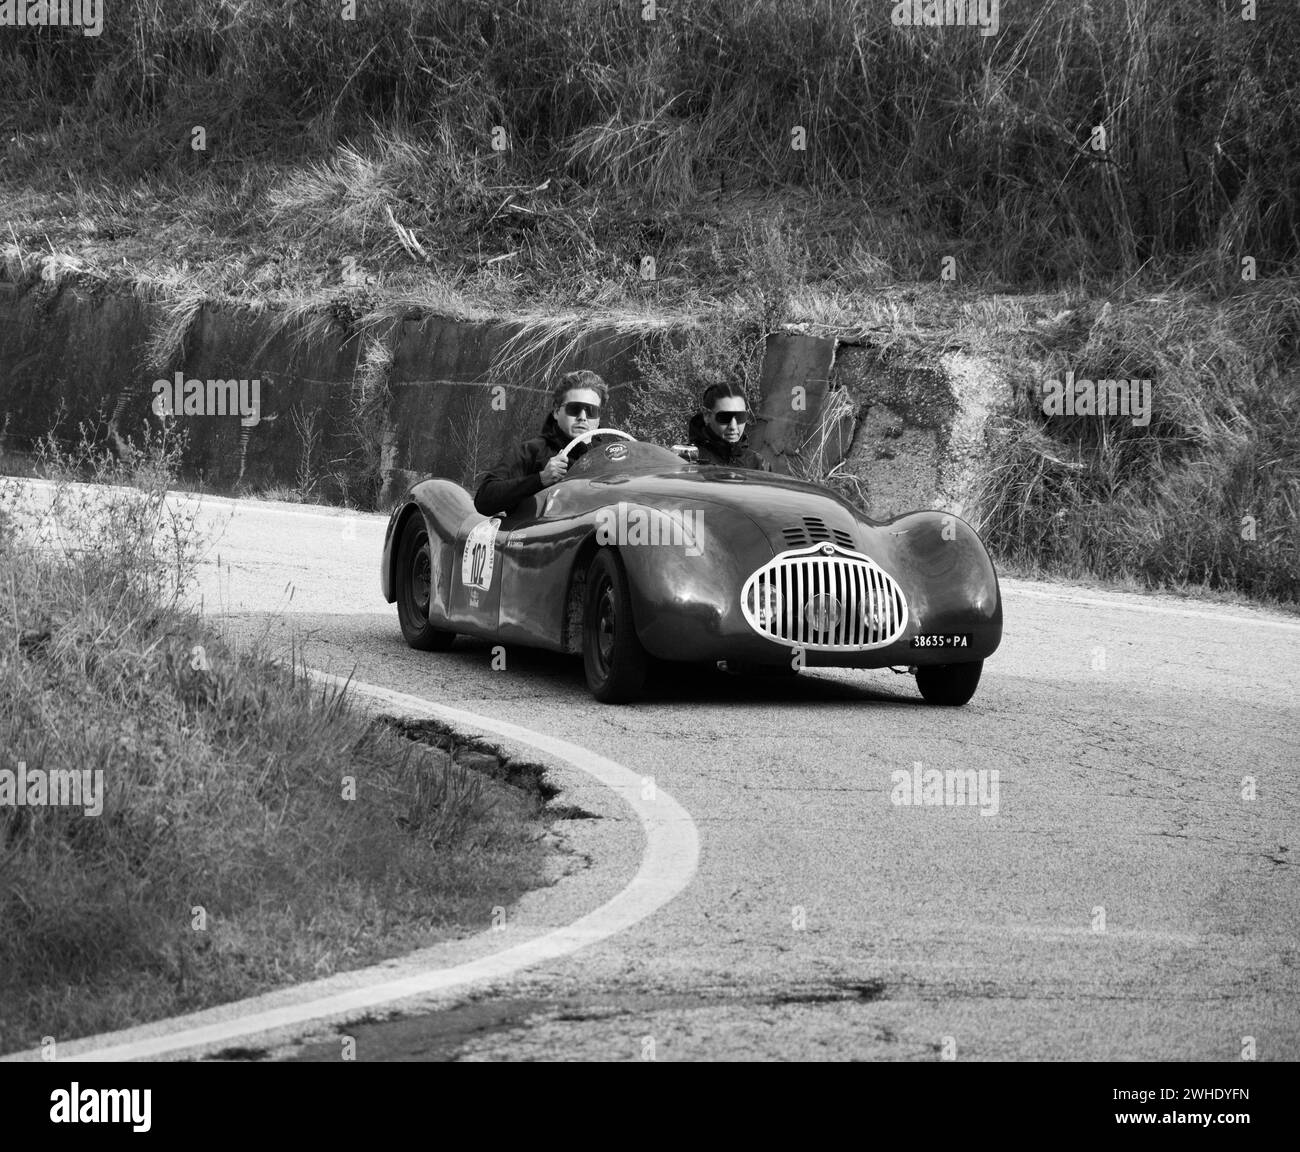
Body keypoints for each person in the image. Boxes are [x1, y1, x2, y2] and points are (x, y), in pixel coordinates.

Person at [473, 370, 609, 515]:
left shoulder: (609, 457)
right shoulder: (531, 451)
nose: (582, 417)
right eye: (574, 409)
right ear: (556, 412)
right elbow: (484, 499)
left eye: (591, 411)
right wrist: (540, 479)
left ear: (599, 418)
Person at [687, 383, 771, 470]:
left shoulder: (758, 464)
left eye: (740, 417)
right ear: (707, 416)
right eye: (725, 417)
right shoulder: (686, 461)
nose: (733, 426)